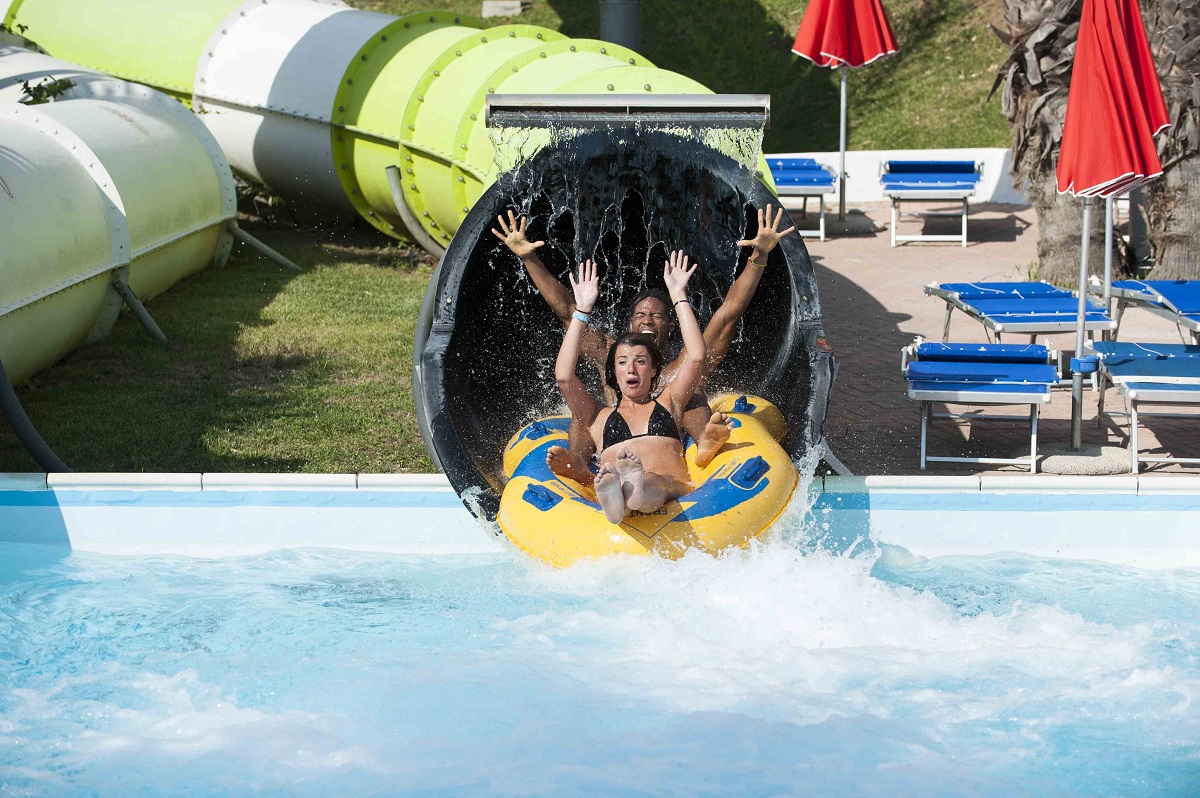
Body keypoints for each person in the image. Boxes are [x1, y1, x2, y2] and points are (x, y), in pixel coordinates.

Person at [492, 204, 795, 483]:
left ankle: (705, 440)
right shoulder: (611, 353)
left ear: (672, 324)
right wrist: (527, 257)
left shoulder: (681, 364)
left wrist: (760, 257)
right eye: (640, 315)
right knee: (583, 409)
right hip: (613, 440)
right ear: (630, 325)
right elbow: (567, 312)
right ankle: (579, 463)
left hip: (667, 444)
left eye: (657, 316)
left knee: (693, 392)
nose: (648, 320)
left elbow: (729, 314)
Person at [556, 253, 704, 523]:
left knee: (653, 480)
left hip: (669, 490)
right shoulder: (597, 417)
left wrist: (678, 295)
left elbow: (696, 356)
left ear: (654, 370)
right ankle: (621, 495)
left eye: (640, 361)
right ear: (613, 371)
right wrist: (582, 311)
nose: (631, 369)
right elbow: (564, 377)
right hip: (625, 483)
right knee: (634, 482)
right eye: (622, 362)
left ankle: (629, 493)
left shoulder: (671, 401)